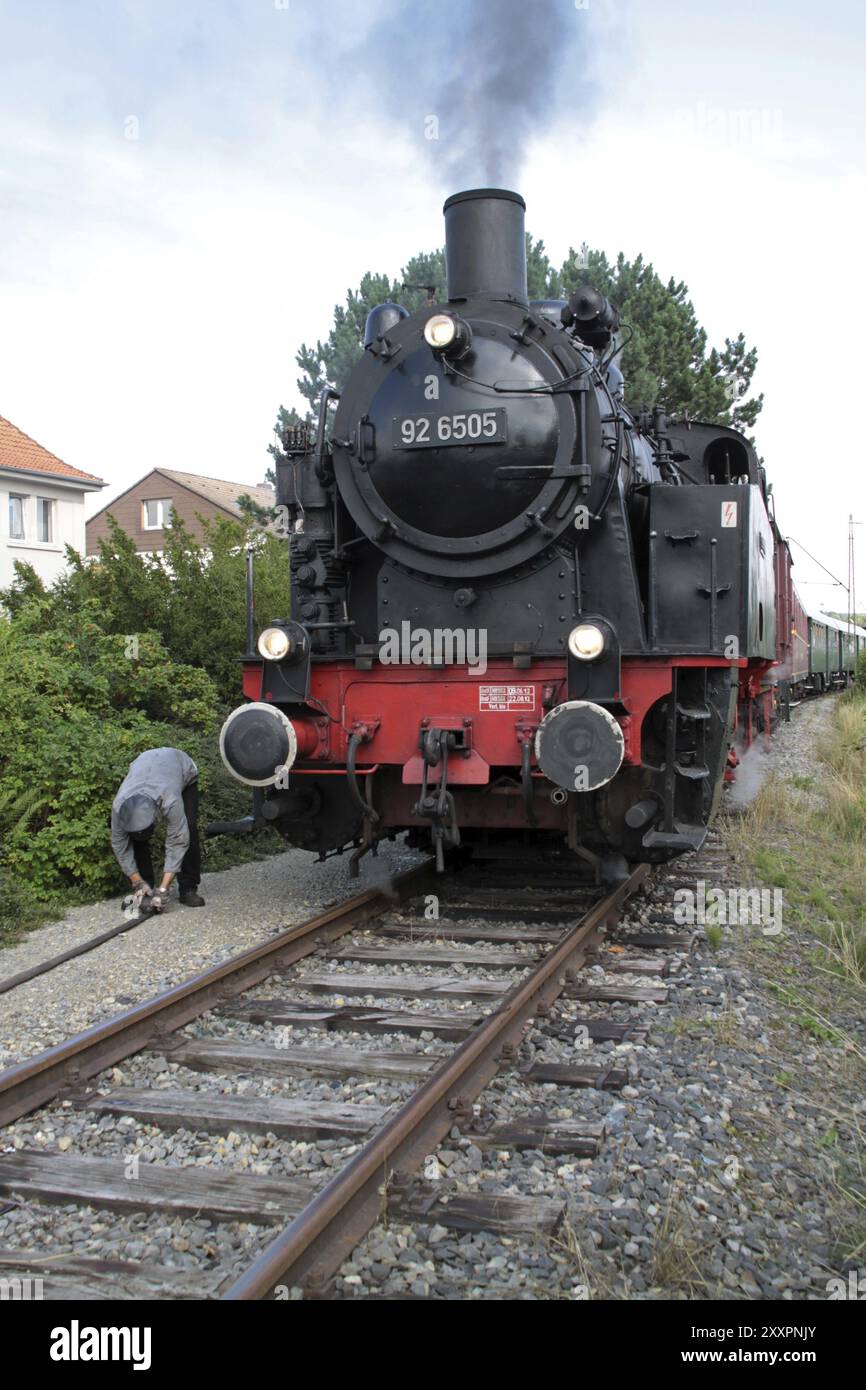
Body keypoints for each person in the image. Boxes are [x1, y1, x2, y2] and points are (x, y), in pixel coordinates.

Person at [111, 748, 205, 910]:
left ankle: (188, 888)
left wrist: (163, 890)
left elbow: (178, 840)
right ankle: (144, 889)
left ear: (155, 816)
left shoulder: (169, 799)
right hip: (145, 764)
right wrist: (137, 882)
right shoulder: (119, 807)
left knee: (188, 827)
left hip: (181, 767)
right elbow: (120, 845)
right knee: (136, 838)